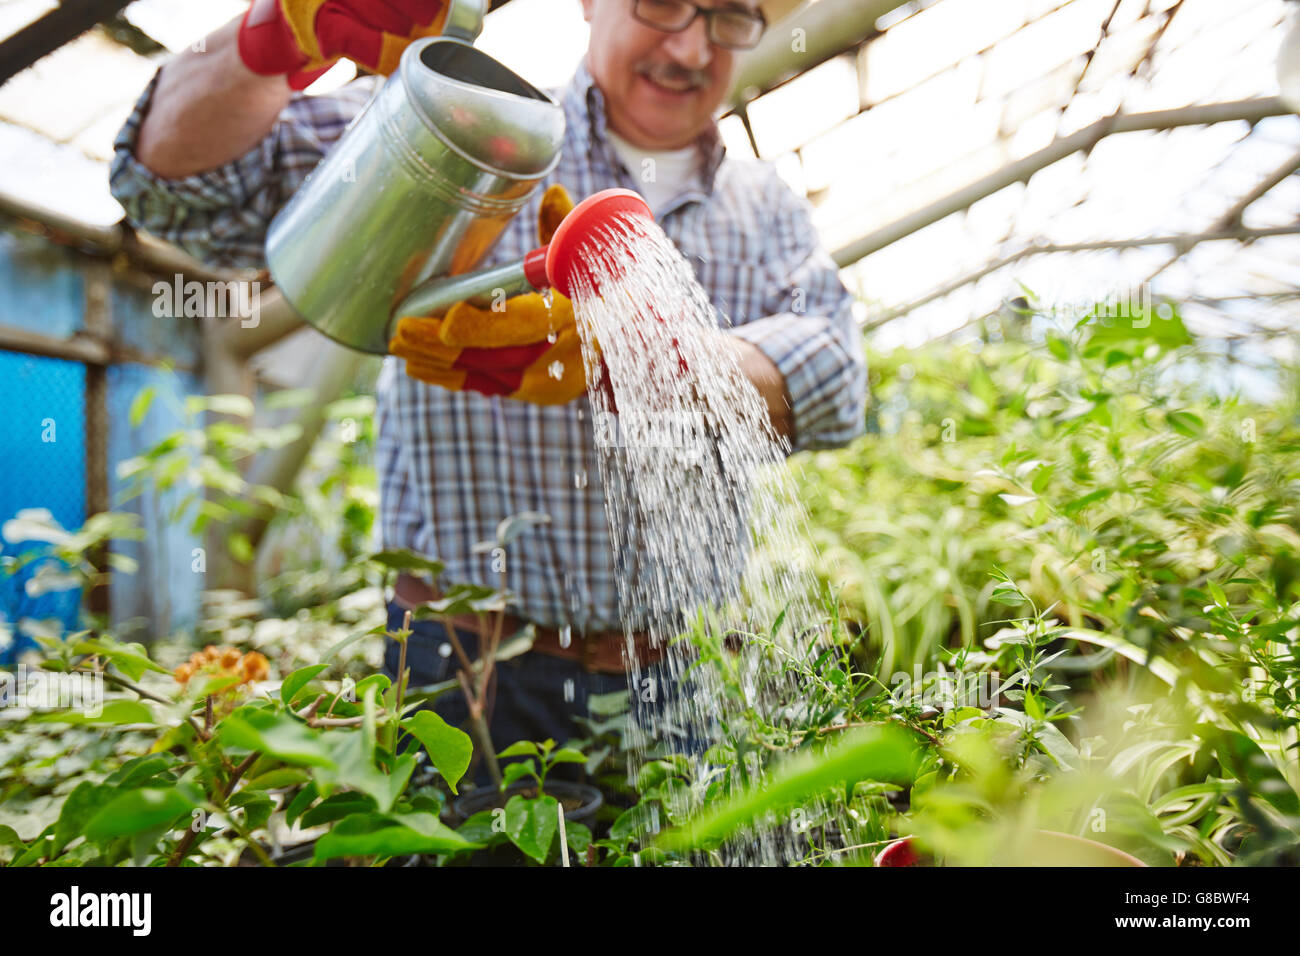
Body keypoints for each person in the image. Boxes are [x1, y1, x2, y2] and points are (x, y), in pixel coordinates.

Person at [109, 0, 867, 781]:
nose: (688, 45)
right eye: (663, 2)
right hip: (466, 666)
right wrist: (272, 38)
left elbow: (835, 383)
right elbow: (173, 192)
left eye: (731, 17)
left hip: (680, 674)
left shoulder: (764, 205)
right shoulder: (476, 133)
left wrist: (639, 354)